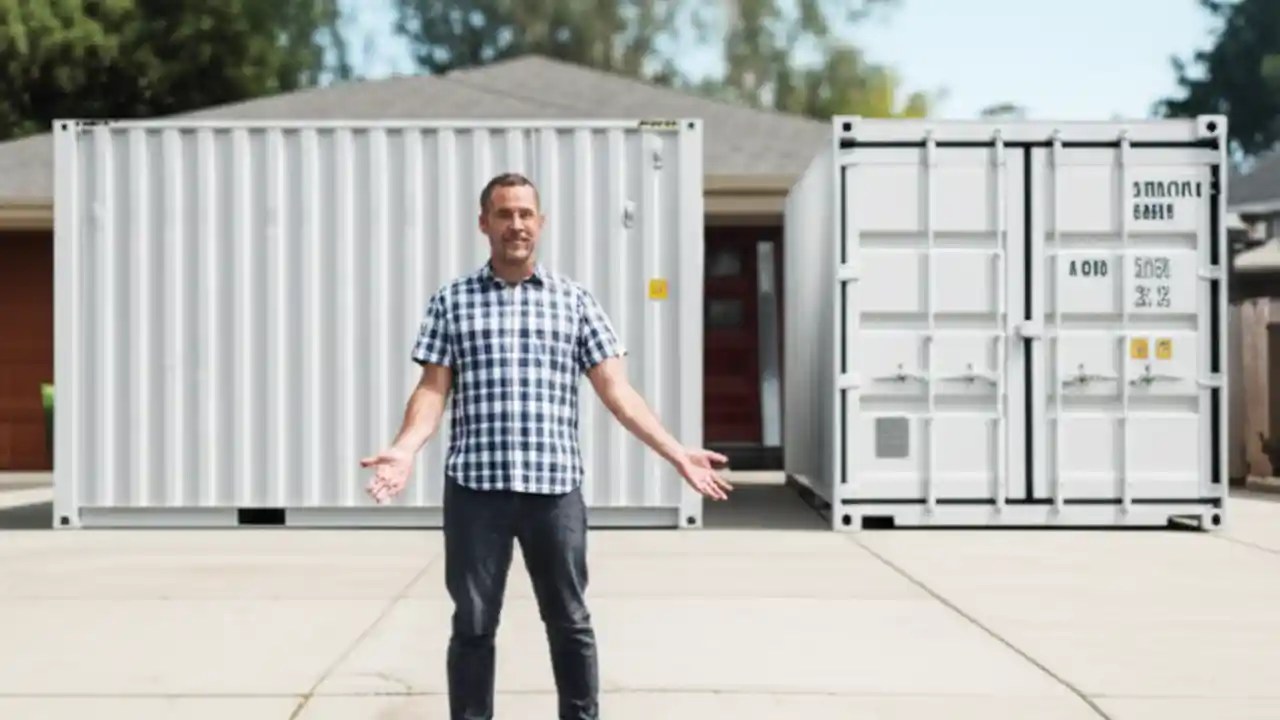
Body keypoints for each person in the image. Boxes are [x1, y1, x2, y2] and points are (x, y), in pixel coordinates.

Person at [361, 172, 733, 720]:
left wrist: (676, 451)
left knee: (570, 622)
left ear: (541, 222)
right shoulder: (452, 301)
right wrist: (405, 448)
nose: (516, 224)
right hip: (476, 492)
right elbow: (432, 389)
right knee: (473, 625)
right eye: (504, 214)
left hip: (554, 492)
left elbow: (617, 391)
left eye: (525, 214)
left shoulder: (574, 301)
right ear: (483, 223)